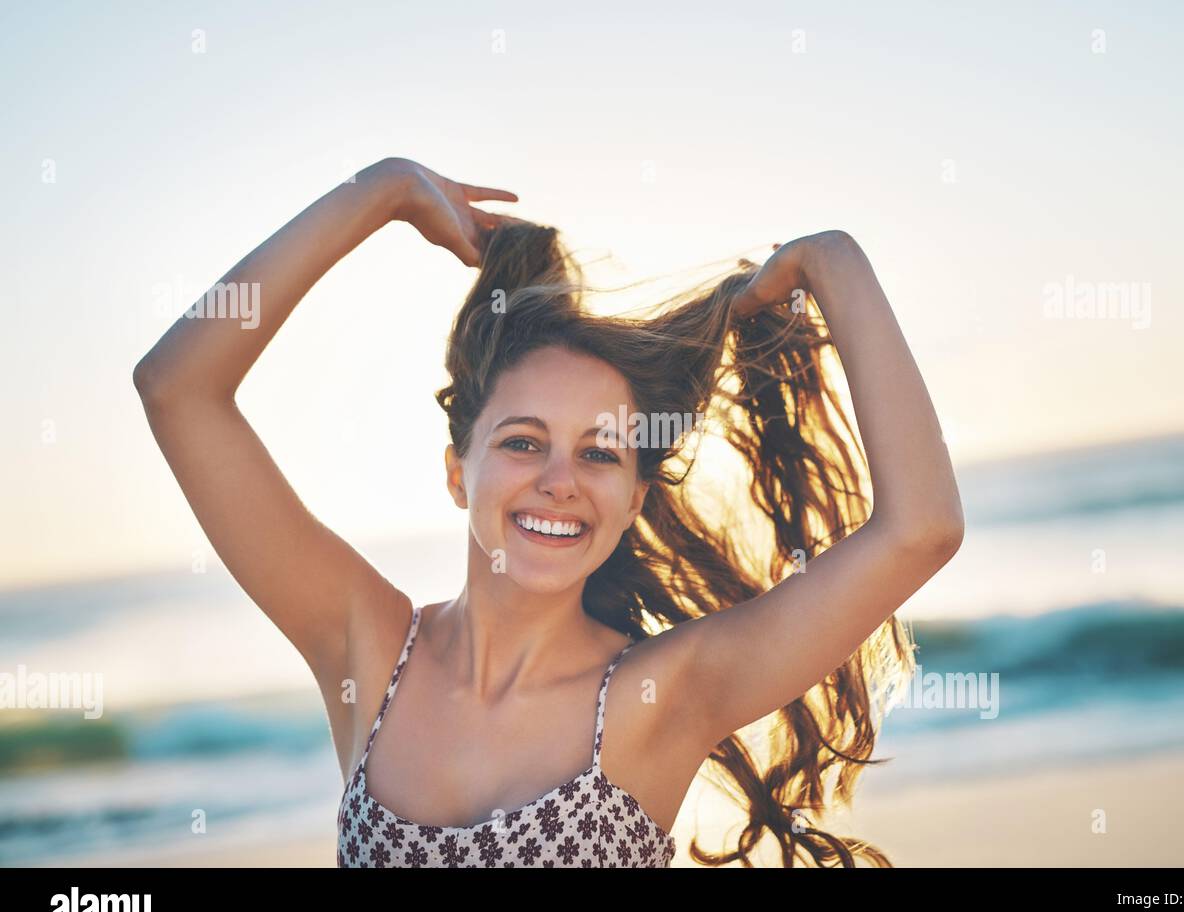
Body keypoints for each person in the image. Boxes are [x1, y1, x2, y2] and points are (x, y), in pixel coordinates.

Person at [133, 157, 964, 867]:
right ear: (459, 471)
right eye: (525, 442)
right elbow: (176, 388)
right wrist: (378, 191)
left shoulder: (663, 695)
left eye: (600, 453)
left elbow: (921, 527)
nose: (561, 480)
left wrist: (833, 260)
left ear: (634, 497)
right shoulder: (367, 647)